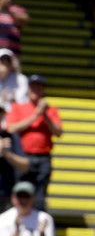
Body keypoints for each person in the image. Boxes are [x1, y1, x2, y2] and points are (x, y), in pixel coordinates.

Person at [3, 75, 61, 211]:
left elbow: (58, 132)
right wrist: (35, 116)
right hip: (22, 157)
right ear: (28, 89)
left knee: (40, 196)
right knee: (20, 192)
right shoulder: (18, 107)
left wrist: (44, 114)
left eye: (39, 87)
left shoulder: (51, 110)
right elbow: (11, 128)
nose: (36, 90)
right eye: (33, 86)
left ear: (43, 90)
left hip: (43, 158)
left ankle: (37, 224)